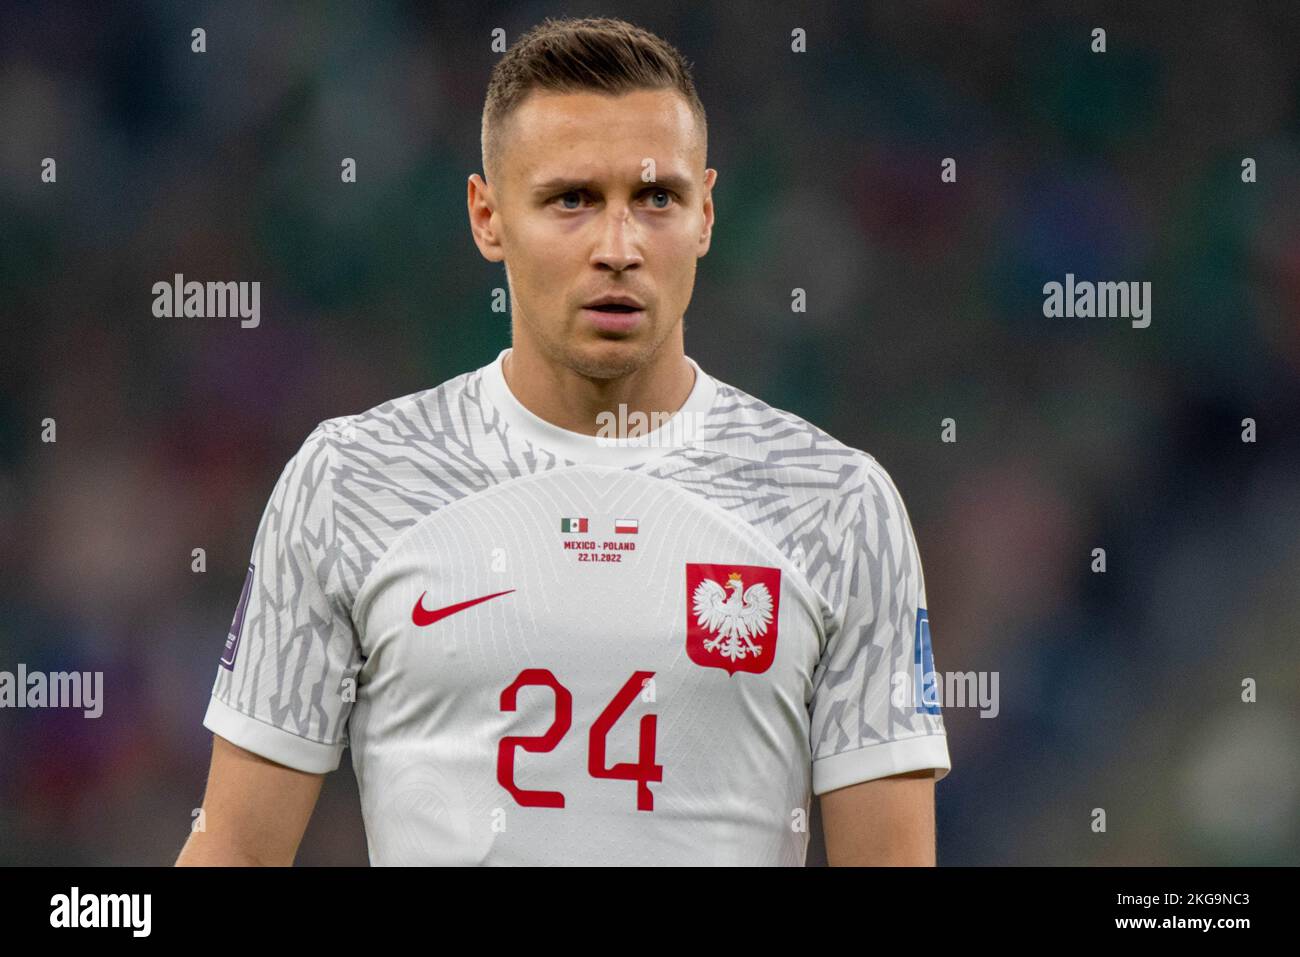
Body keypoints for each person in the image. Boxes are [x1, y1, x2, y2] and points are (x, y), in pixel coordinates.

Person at [176, 15, 950, 867]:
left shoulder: (836, 503)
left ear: (706, 214)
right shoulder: (352, 480)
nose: (616, 248)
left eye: (656, 198)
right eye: (571, 199)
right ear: (487, 215)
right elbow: (236, 852)